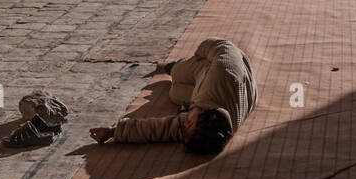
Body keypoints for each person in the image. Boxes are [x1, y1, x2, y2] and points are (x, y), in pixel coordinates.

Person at [89, 38, 257, 155]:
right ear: (207, 112)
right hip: (213, 65)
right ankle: (173, 66)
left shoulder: (206, 127)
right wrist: (200, 53)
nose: (185, 123)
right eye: (189, 122)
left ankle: (178, 72)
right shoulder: (223, 71)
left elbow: (161, 129)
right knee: (178, 72)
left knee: (175, 93)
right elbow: (224, 46)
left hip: (221, 92)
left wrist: (114, 131)